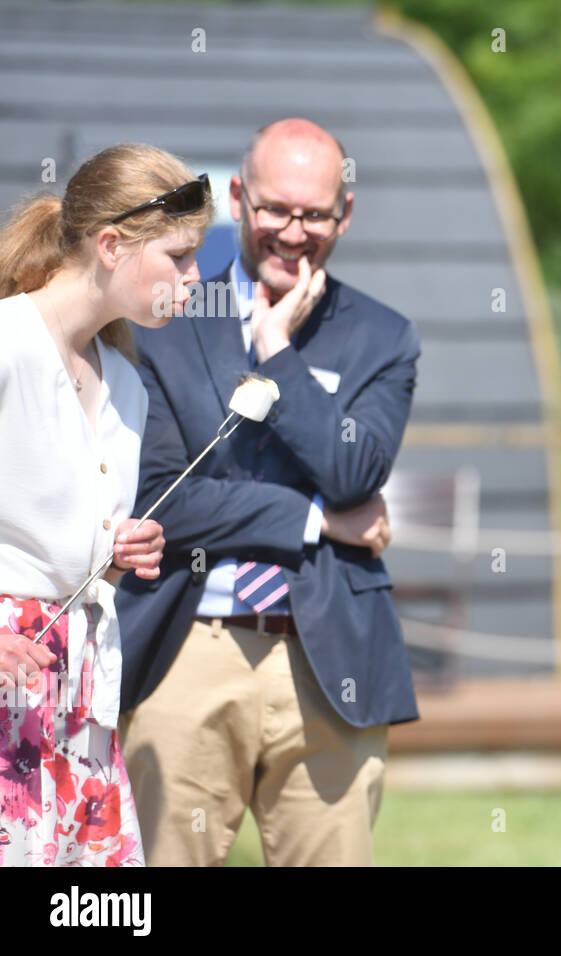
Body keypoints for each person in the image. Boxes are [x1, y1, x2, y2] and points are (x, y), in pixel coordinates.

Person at [115, 118, 420, 866]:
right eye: (275, 210)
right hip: (186, 649)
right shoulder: (163, 321)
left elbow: (356, 473)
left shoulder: (383, 337)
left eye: (315, 214)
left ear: (343, 214)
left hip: (328, 663)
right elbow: (161, 501)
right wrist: (315, 519)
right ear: (236, 200)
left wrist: (277, 353)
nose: (294, 232)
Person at [0, 143, 206, 865]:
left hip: (84, 695)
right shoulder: (6, 346)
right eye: (179, 256)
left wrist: (114, 557)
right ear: (112, 244)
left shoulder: (127, 383)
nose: (194, 278)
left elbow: (67, 549)